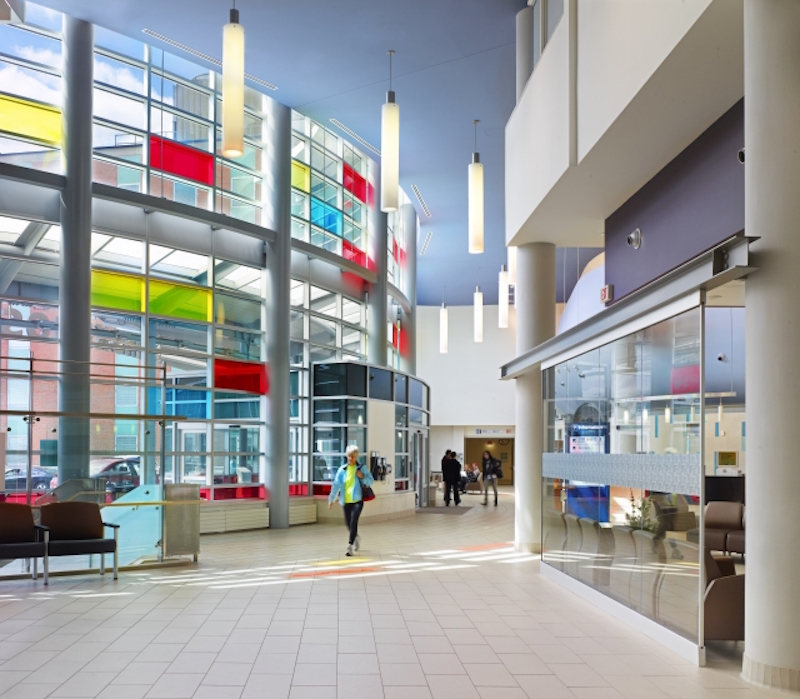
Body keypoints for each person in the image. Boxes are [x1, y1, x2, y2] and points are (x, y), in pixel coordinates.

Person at [328, 445, 374, 556]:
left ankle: (349, 546)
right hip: (346, 501)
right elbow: (336, 485)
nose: (350, 458)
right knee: (348, 524)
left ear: (356, 457)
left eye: (353, 456)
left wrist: (362, 476)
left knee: (354, 521)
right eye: (349, 456)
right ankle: (355, 537)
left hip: (358, 500)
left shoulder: (361, 468)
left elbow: (371, 480)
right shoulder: (342, 470)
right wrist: (331, 499)